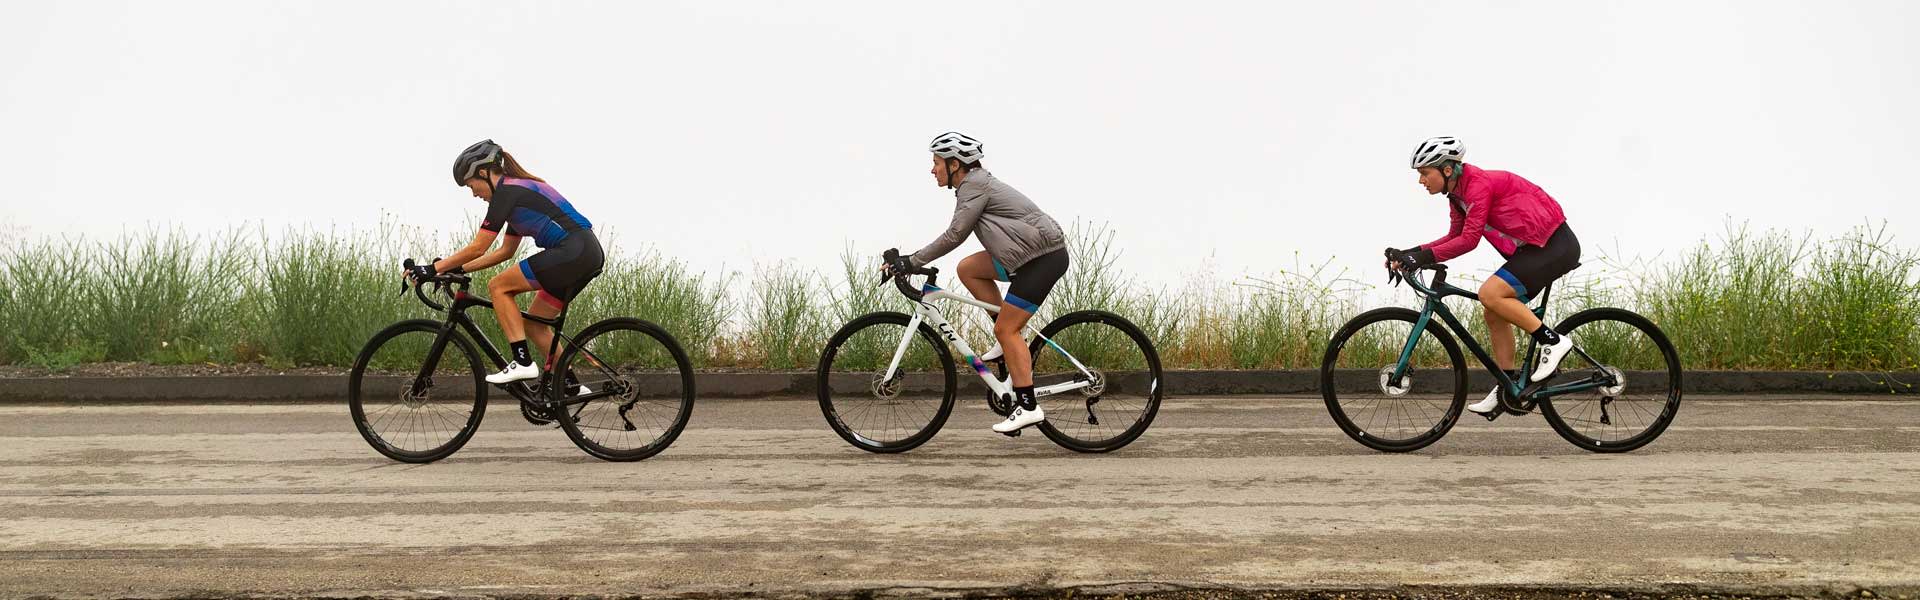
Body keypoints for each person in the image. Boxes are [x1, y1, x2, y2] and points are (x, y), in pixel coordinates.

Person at [883, 132, 1070, 435]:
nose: (933, 170)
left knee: (1005, 328)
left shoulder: (974, 186)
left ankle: (1028, 406)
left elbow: (955, 234)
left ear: (954, 164)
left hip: (1042, 258)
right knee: (968, 268)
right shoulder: (973, 185)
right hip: (1024, 255)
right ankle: (1010, 338)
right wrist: (910, 260)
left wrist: (912, 261)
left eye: (936, 163)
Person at [1386, 136, 1581, 414]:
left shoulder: (1478, 185)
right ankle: (1510, 386)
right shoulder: (1457, 195)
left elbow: (1469, 240)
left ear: (1447, 170)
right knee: (1493, 311)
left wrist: (1419, 258)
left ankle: (1553, 341)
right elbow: (1454, 235)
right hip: (1534, 249)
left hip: (1553, 245)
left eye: (1424, 173)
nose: (1421, 181)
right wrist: (1409, 252)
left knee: (1490, 293)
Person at [408, 139, 604, 387]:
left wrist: (432, 268)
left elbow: (478, 247)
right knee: (535, 325)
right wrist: (456, 269)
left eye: (472, 186)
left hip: (574, 250)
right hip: (583, 252)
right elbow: (505, 251)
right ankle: (571, 387)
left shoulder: (508, 192)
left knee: (499, 286)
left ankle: (522, 362)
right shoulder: (516, 196)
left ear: (484, 173)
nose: (474, 193)